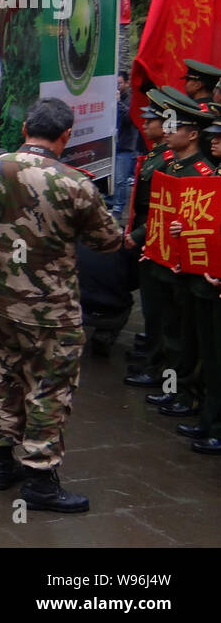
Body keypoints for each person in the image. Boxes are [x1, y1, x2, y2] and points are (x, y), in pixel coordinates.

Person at [0, 97, 122, 513]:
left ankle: (1, 466)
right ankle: (39, 480)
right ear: (65, 136)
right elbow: (107, 241)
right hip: (52, 313)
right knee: (48, 388)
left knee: (2, 378)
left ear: (24, 129)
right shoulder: (76, 184)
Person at [146, 85, 216, 422]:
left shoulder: (203, 175)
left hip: (191, 272)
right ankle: (174, 389)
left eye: (174, 127)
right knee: (171, 331)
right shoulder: (170, 167)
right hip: (165, 265)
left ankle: (186, 394)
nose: (167, 132)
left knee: (188, 339)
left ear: (191, 134)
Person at [124, 102, 172, 389]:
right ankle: (153, 357)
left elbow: (161, 208)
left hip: (155, 236)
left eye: (151, 121)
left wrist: (139, 235)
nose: (145, 125)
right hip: (148, 234)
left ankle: (159, 369)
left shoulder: (166, 161)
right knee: (152, 305)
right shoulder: (157, 155)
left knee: (159, 309)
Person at [111, 71, 137, 220]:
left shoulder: (131, 100)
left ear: (127, 83)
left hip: (125, 145)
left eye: (120, 83)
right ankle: (111, 201)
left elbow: (130, 119)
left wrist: (119, 103)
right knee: (113, 177)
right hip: (113, 143)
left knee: (121, 178)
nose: (117, 86)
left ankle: (118, 207)